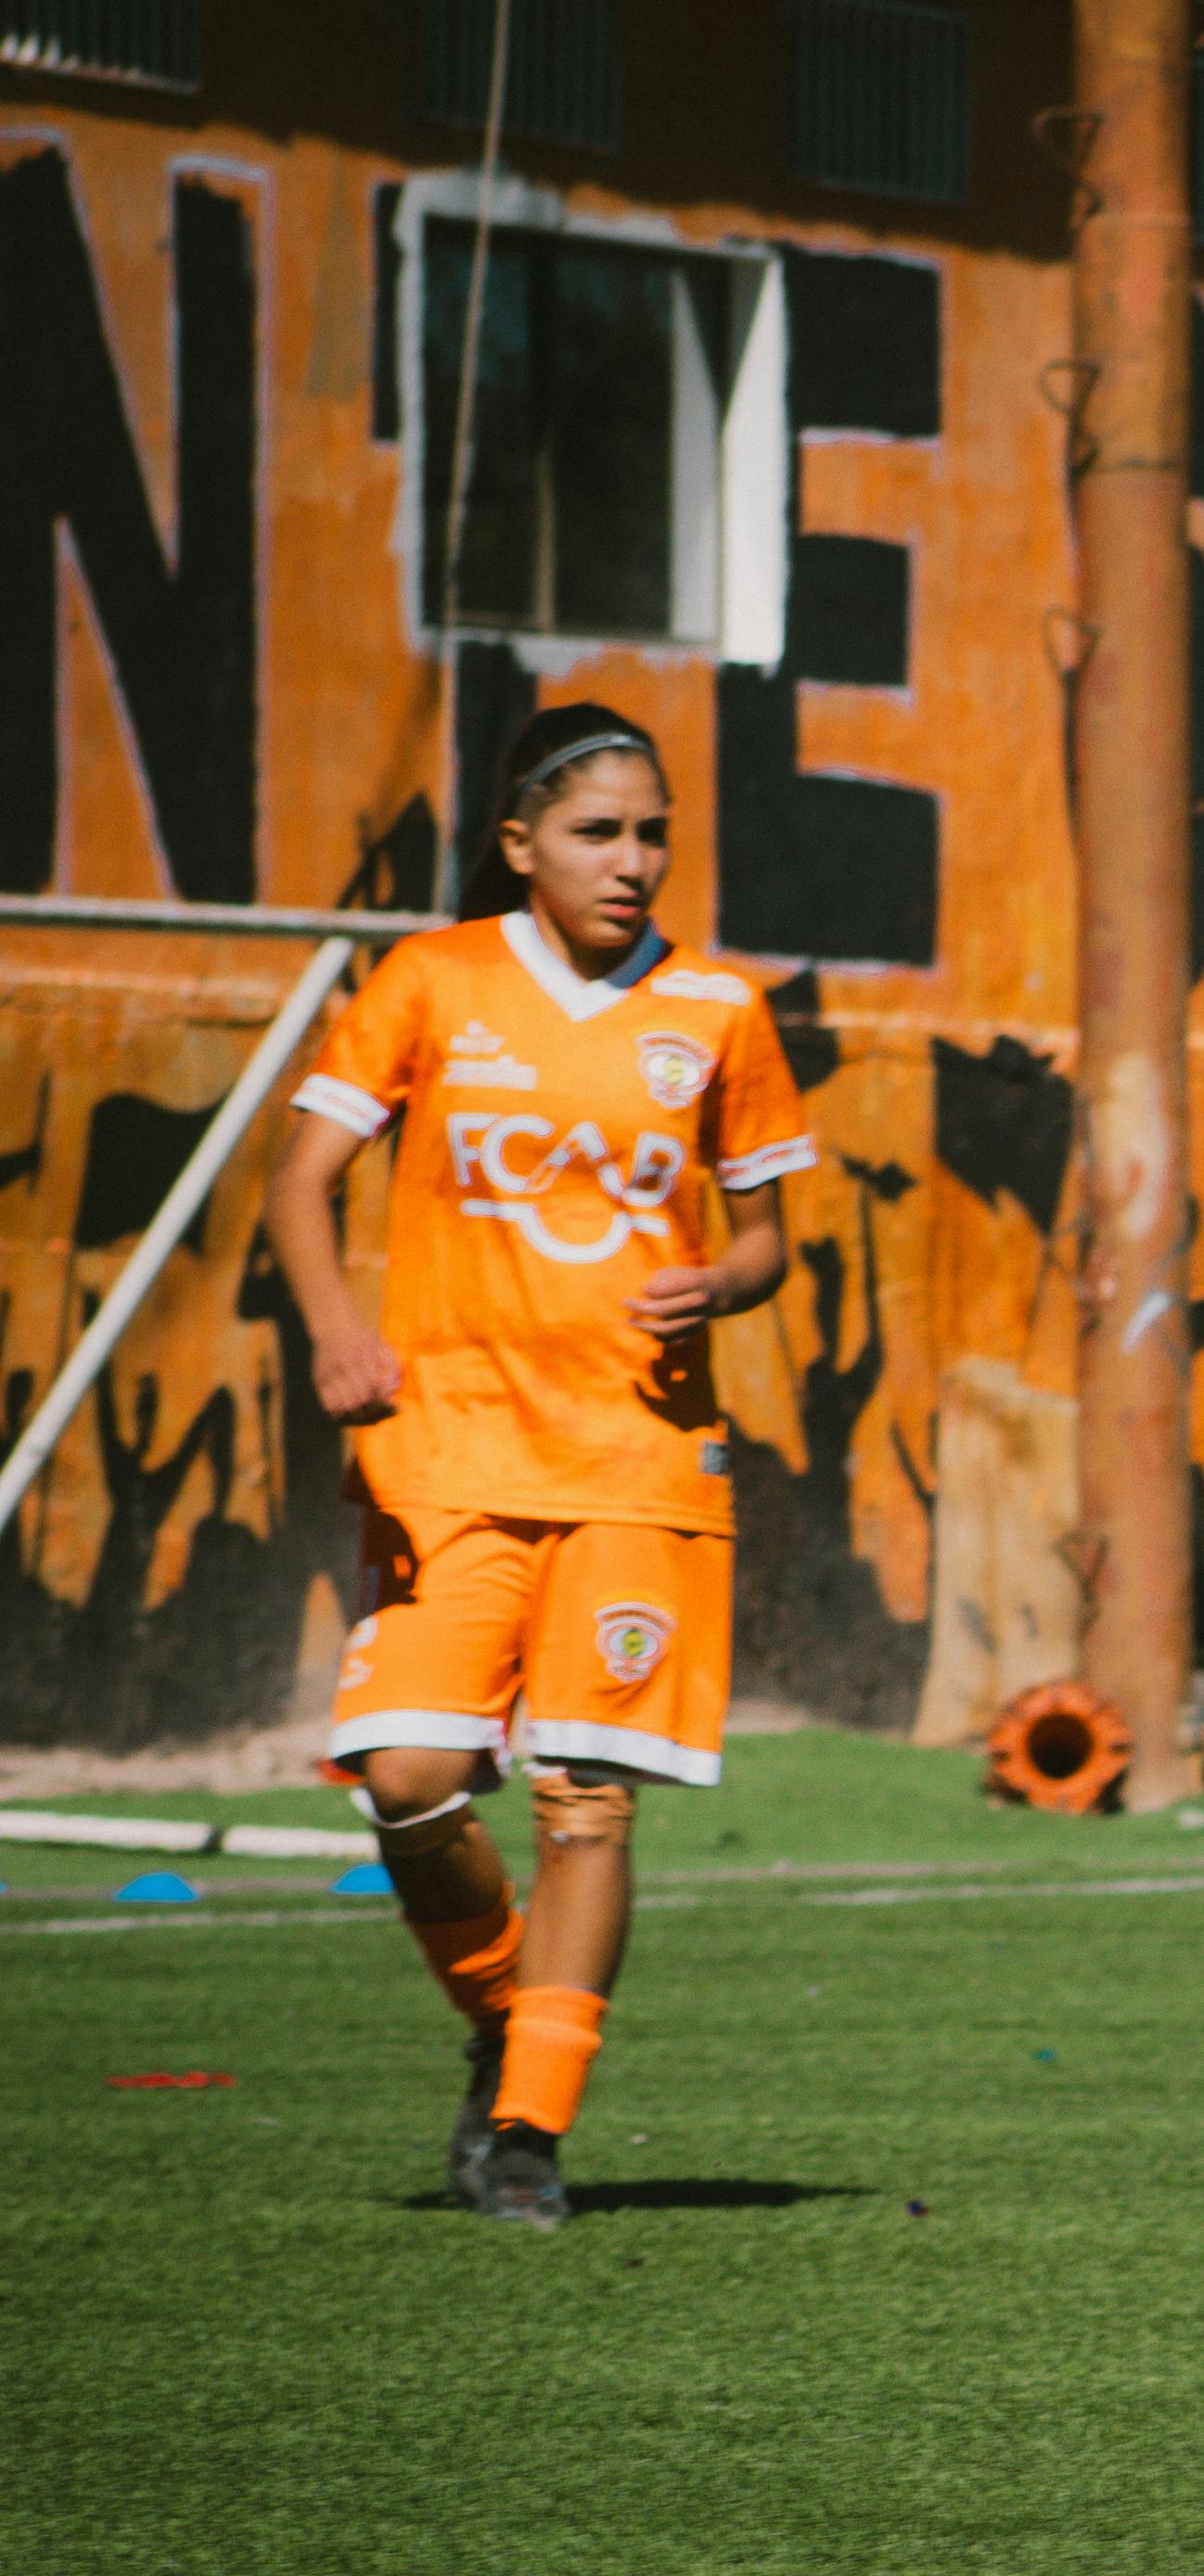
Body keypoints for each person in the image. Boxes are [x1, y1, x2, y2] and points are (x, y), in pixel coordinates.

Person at [260, 704, 815, 2228]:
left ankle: (530, 2128)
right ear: (521, 844)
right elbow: (300, 1177)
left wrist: (726, 1279)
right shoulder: (429, 983)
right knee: (407, 1777)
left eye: (651, 834)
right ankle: (505, 2009)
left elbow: (767, 1234)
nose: (631, 862)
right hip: (444, 1452)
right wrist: (333, 1332)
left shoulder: (715, 1008)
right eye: (598, 832)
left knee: (586, 1800)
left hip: (638, 1462)